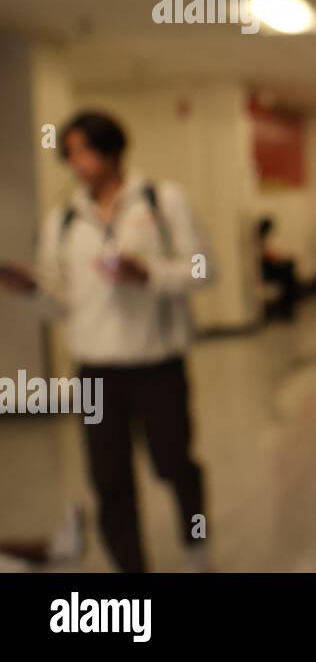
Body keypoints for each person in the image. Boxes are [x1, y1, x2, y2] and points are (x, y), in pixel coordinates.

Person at [0, 111, 214, 573]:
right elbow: (61, 302)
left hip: (157, 362)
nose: (77, 163)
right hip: (96, 370)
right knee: (109, 479)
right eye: (70, 154)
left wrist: (150, 274)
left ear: (114, 151)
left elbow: (203, 270)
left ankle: (198, 552)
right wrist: (32, 289)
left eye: (85, 151)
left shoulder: (161, 200)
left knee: (175, 464)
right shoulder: (63, 220)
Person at [256, 217, 299, 320]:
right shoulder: (258, 243)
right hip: (266, 270)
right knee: (288, 274)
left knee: (289, 269)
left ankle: (288, 304)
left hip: (270, 267)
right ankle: (287, 305)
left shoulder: (262, 242)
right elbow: (268, 257)